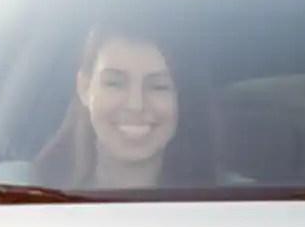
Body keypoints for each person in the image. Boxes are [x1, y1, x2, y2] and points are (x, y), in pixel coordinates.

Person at [32, 24, 214, 189]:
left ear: (182, 96)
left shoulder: (228, 204)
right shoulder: (25, 194)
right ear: (84, 88)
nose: (136, 105)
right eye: (115, 83)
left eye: (158, 86)